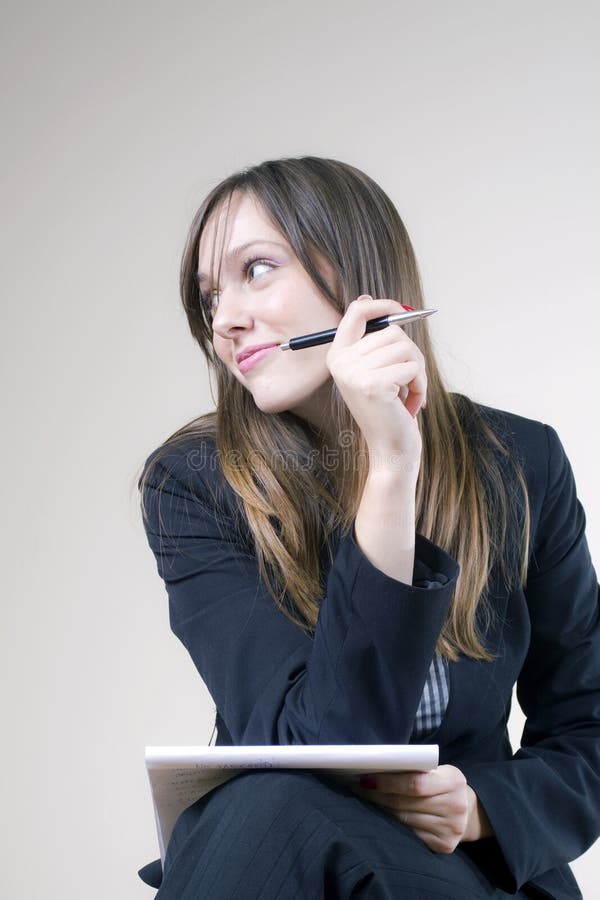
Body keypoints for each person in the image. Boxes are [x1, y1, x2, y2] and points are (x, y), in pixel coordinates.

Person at [137, 156, 600, 899]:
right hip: (282, 847)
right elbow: (318, 748)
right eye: (209, 296)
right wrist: (391, 467)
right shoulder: (196, 483)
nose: (224, 319)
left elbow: (588, 724)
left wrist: (482, 808)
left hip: (453, 873)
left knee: (269, 813)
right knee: (275, 803)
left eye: (256, 270)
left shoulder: (522, 463)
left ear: (357, 271)